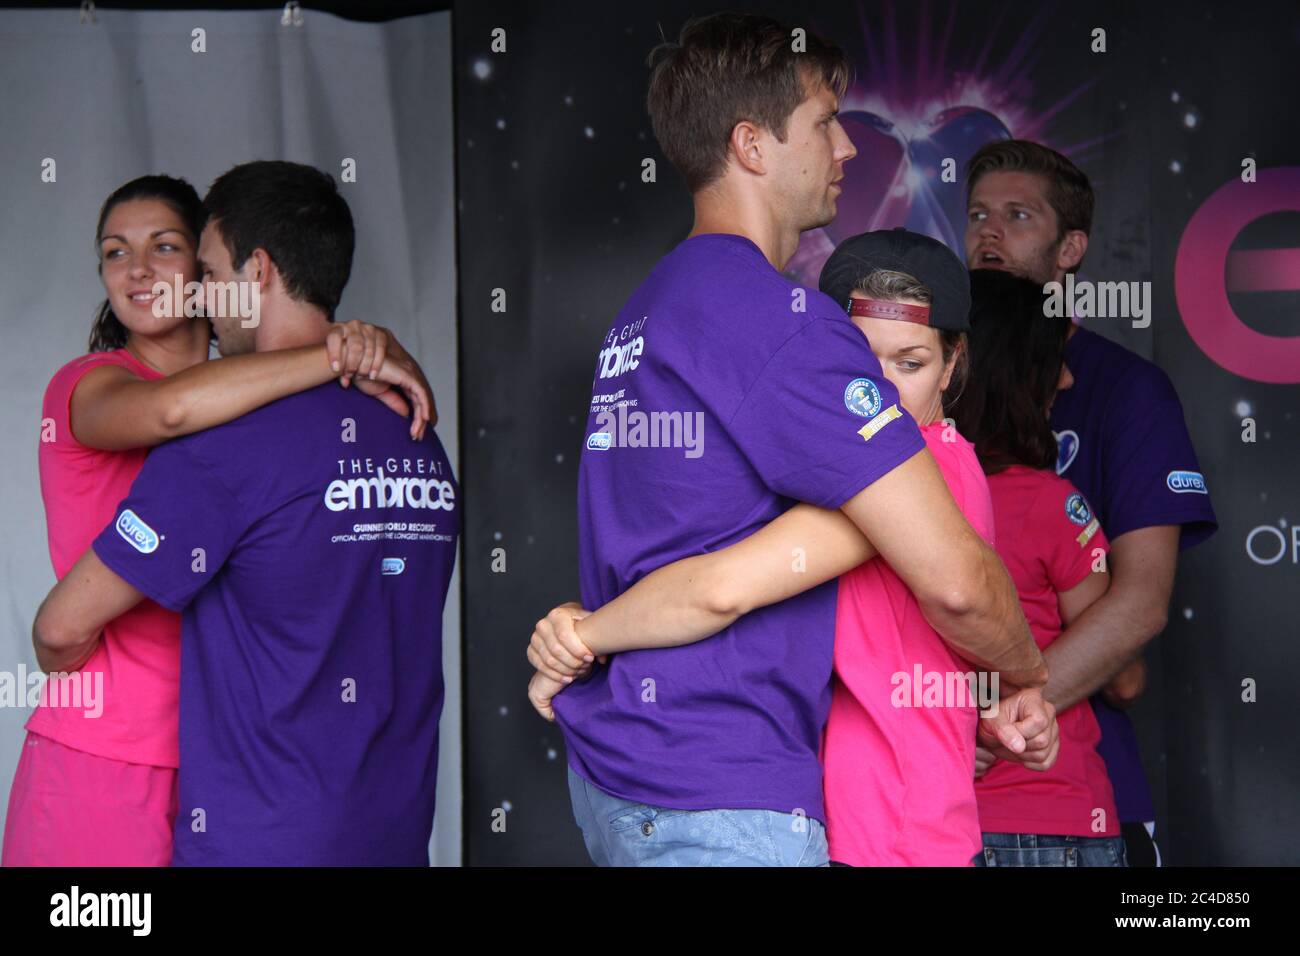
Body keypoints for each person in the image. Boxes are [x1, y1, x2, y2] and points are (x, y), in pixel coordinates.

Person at [533, 11, 1055, 868]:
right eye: (823, 123)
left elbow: (700, 563)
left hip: (623, 776)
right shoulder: (782, 323)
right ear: (751, 145)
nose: (847, 148)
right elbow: (958, 584)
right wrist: (1027, 677)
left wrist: (583, 636)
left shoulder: (649, 307)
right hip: (722, 795)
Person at [26, 161, 458, 866]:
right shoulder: (409, 427)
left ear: (244, 273)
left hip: (251, 817)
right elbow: (172, 410)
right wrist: (342, 351)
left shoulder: (231, 441)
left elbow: (59, 626)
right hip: (382, 825)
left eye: (178, 252)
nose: (139, 270)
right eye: (113, 252)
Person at [965, 140, 1217, 865]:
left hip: (1074, 791)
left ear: (1071, 246)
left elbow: (1138, 609)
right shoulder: (923, 391)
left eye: (1018, 215)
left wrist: (998, 723)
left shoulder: (1123, 389)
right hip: (931, 801)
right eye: (978, 214)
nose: (990, 233)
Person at [953, 269, 1124, 866]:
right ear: (1018, 374)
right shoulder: (1054, 503)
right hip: (1057, 819)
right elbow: (1123, 676)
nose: (1070, 377)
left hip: (944, 823)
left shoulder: (912, 505)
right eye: (1055, 357)